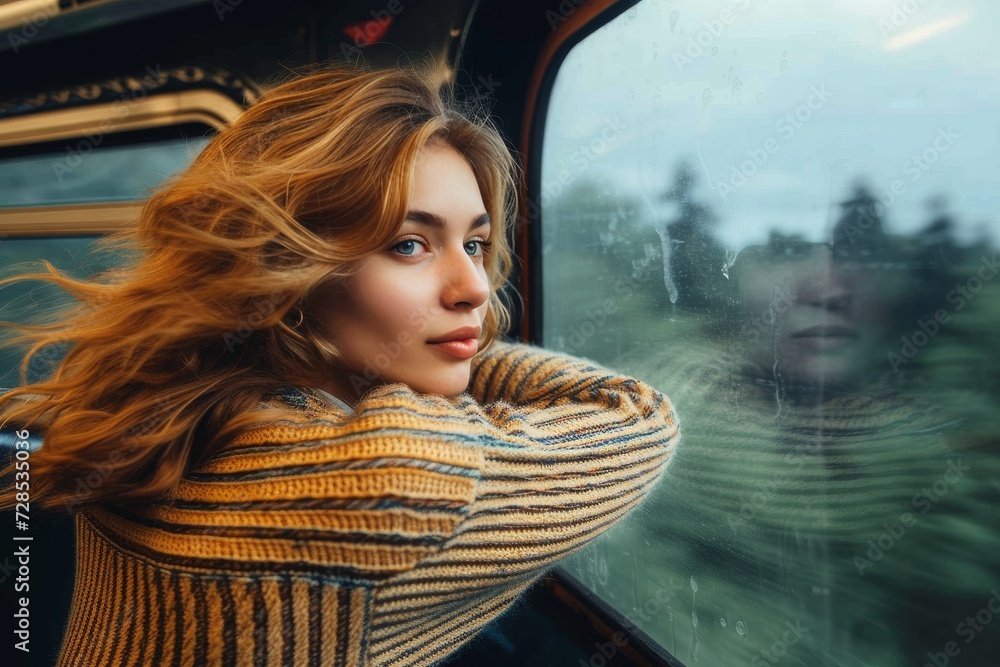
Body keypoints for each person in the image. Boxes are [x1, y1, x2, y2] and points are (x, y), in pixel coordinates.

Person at [0, 64, 678, 666]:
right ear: (288, 271)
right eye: (410, 244)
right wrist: (461, 348)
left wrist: (433, 337)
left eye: (475, 242)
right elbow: (635, 414)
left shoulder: (158, 413)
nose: (476, 286)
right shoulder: (383, 484)